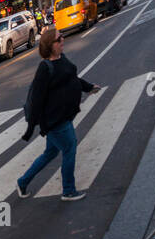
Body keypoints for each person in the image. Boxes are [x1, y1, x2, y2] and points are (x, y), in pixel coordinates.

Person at [17, 28, 100, 202]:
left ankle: (23, 182)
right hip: (55, 121)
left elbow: (72, 78)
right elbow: (37, 100)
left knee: (50, 153)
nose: (63, 39)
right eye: (58, 39)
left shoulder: (62, 58)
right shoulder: (44, 68)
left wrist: (89, 87)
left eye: (61, 36)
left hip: (64, 116)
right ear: (50, 45)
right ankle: (68, 190)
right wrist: (31, 128)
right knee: (70, 148)